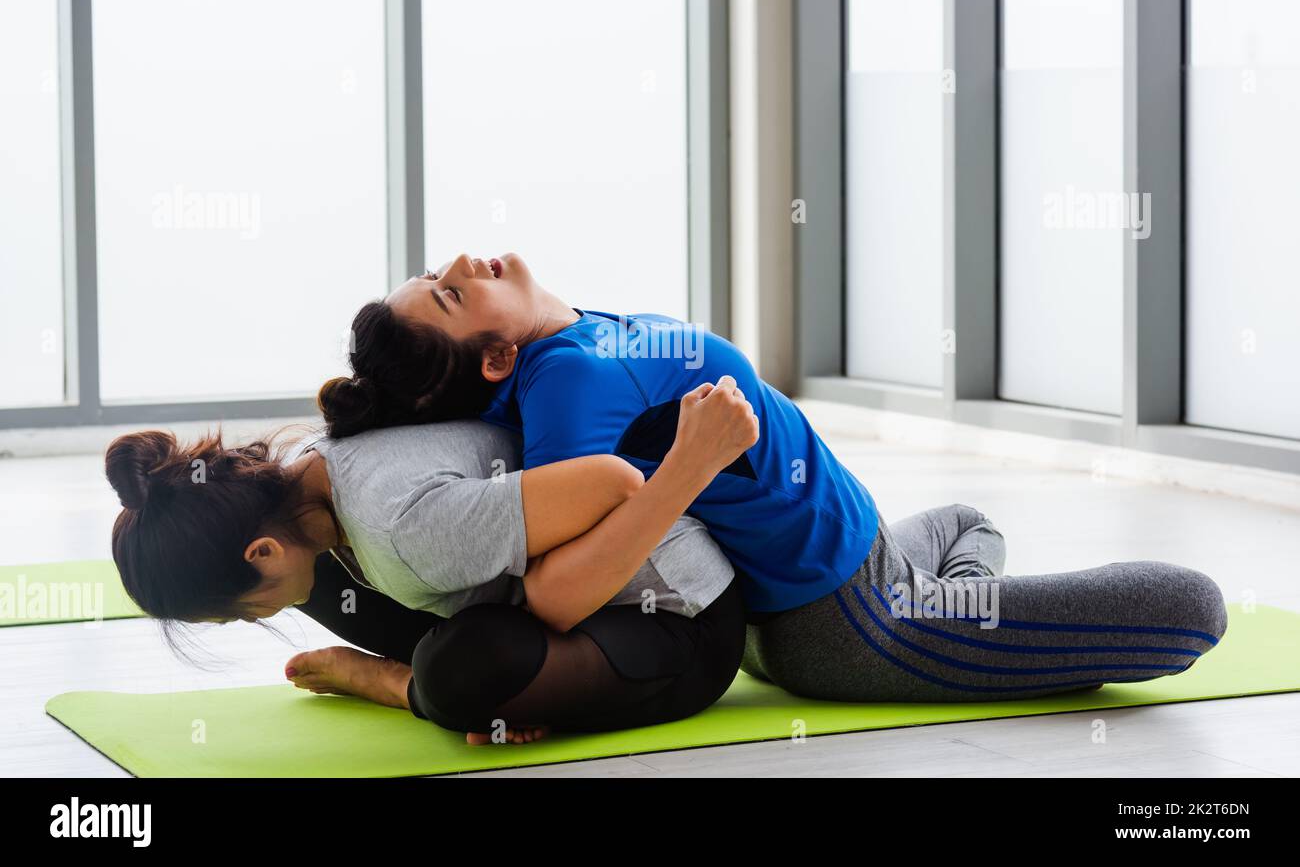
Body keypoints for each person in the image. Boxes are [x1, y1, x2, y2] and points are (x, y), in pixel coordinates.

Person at [317, 251, 1229, 702]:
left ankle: (968, 623)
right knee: (1190, 606)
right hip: (855, 624)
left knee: (966, 517)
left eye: (436, 275)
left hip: (859, 571)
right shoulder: (570, 385)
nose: (462, 265)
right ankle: (954, 641)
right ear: (493, 357)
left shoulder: (569, 344)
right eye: (450, 294)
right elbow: (557, 588)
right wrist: (686, 463)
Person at [104, 373, 756, 744]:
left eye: (241, 613)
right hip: (508, 581)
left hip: (680, 620)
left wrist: (480, 690)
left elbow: (617, 483)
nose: (255, 620)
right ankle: (468, 684)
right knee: (321, 575)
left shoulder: (405, 528)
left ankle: (399, 684)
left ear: (261, 550)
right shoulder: (311, 468)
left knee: (457, 676)